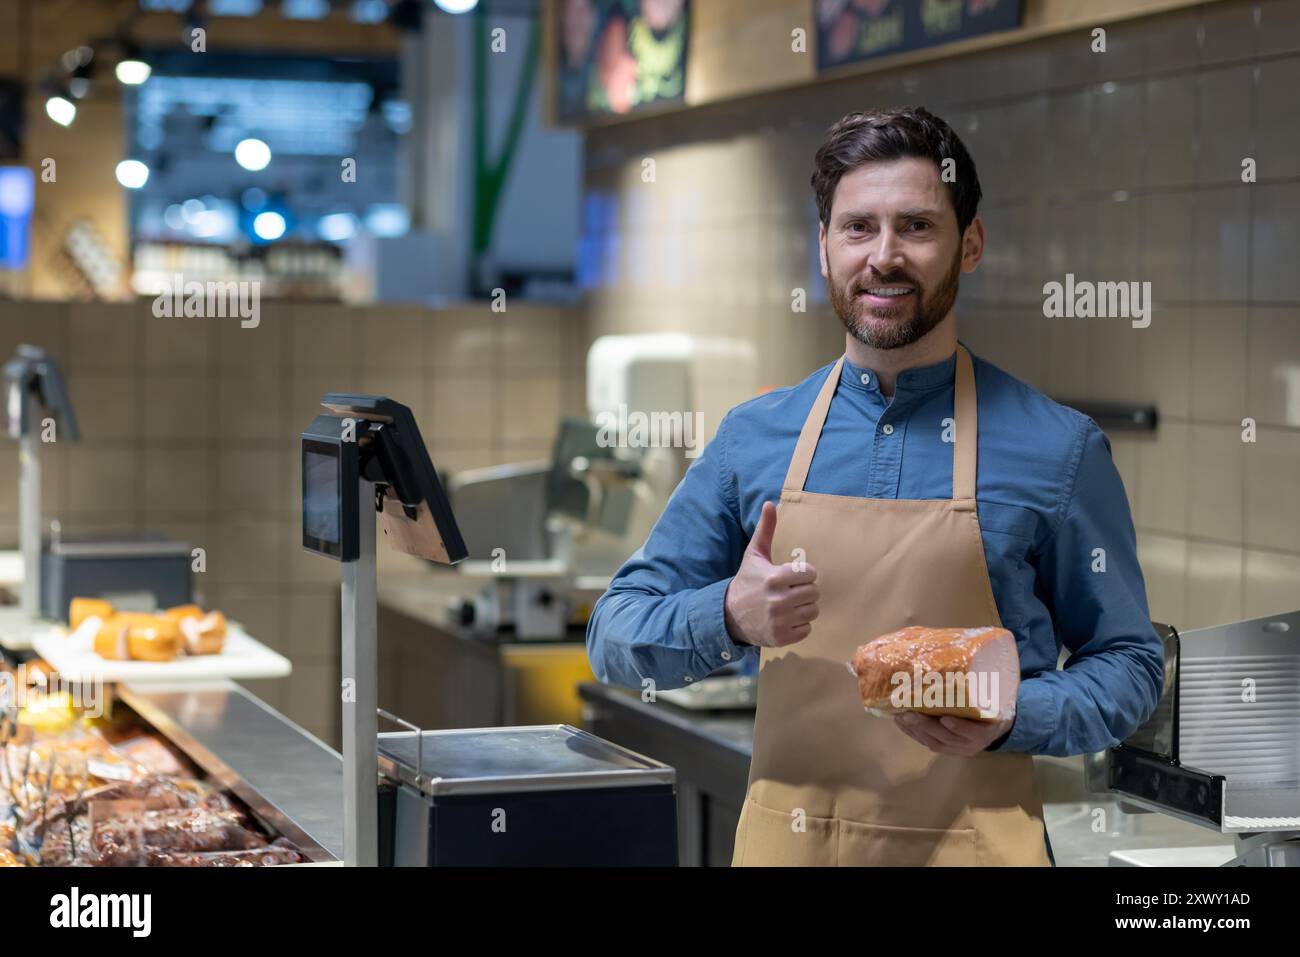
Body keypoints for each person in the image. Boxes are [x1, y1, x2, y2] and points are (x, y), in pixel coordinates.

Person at [585, 107, 1164, 866]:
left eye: (916, 227)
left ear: (971, 243)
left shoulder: (1058, 448)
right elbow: (613, 634)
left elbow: (1130, 664)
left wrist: (1016, 709)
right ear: (822, 250)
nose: (884, 256)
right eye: (857, 228)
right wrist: (729, 612)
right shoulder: (752, 438)